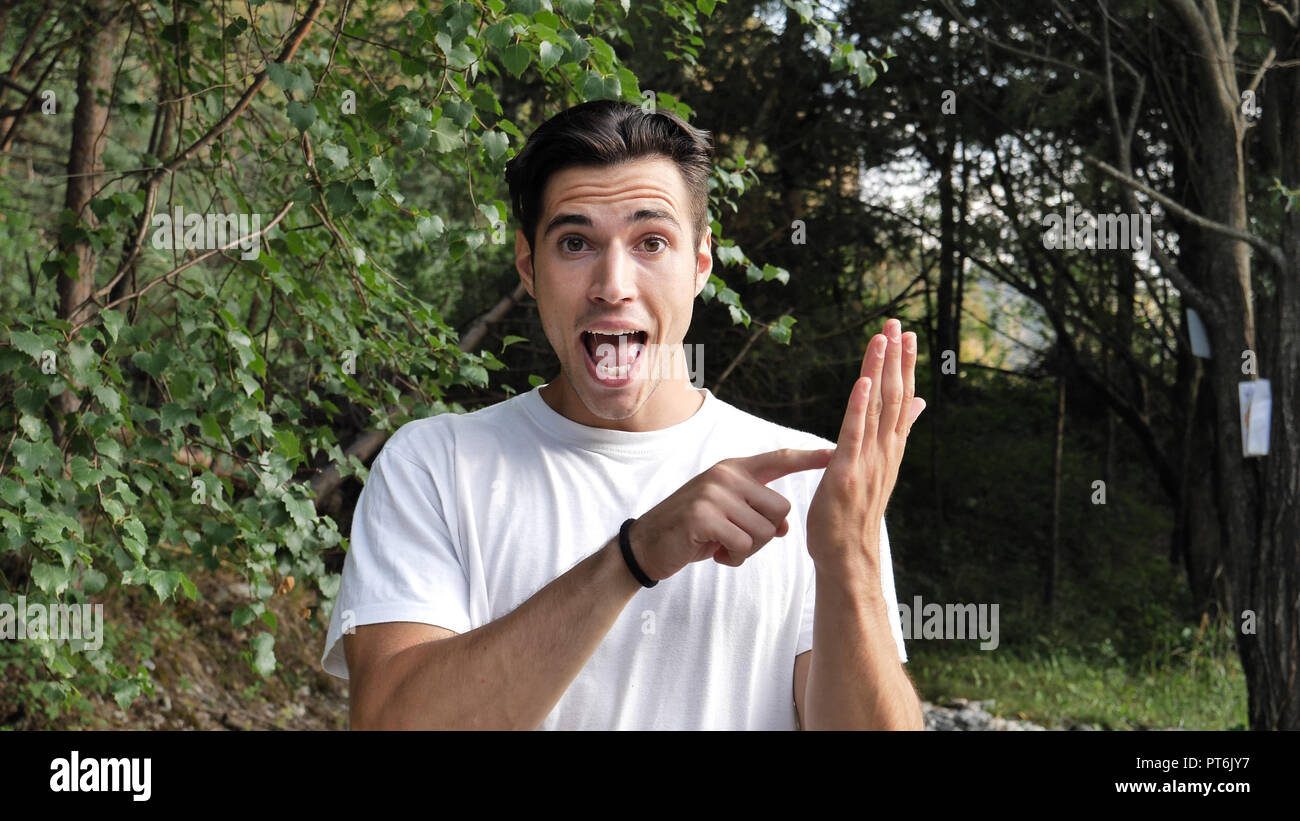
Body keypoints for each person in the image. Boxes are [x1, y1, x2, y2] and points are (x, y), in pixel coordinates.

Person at [319, 100, 927, 730]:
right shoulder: (433, 465)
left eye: (651, 242)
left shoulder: (808, 483)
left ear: (699, 263)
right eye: (576, 242)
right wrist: (635, 555)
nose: (613, 284)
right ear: (529, 266)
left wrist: (849, 555)